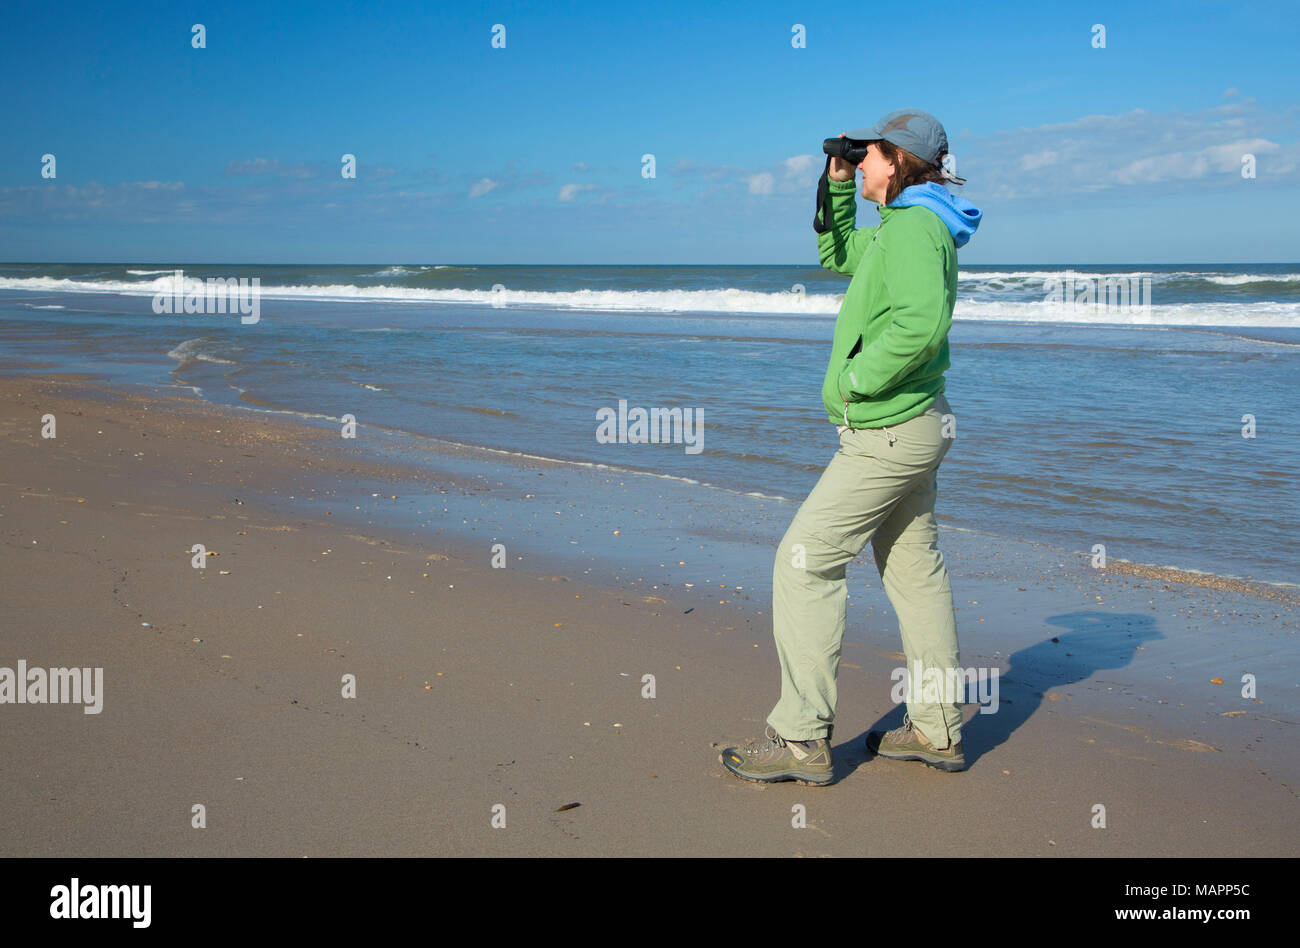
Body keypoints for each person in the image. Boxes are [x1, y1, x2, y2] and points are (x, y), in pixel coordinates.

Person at [720, 109, 982, 786]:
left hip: (888, 431)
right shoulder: (904, 227)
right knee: (914, 571)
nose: (859, 160)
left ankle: (801, 739)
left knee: (804, 563)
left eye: (868, 155)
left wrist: (860, 381)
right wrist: (836, 185)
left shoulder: (917, 231)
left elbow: (922, 326)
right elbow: (836, 253)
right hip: (917, 424)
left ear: (899, 161)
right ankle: (934, 728)